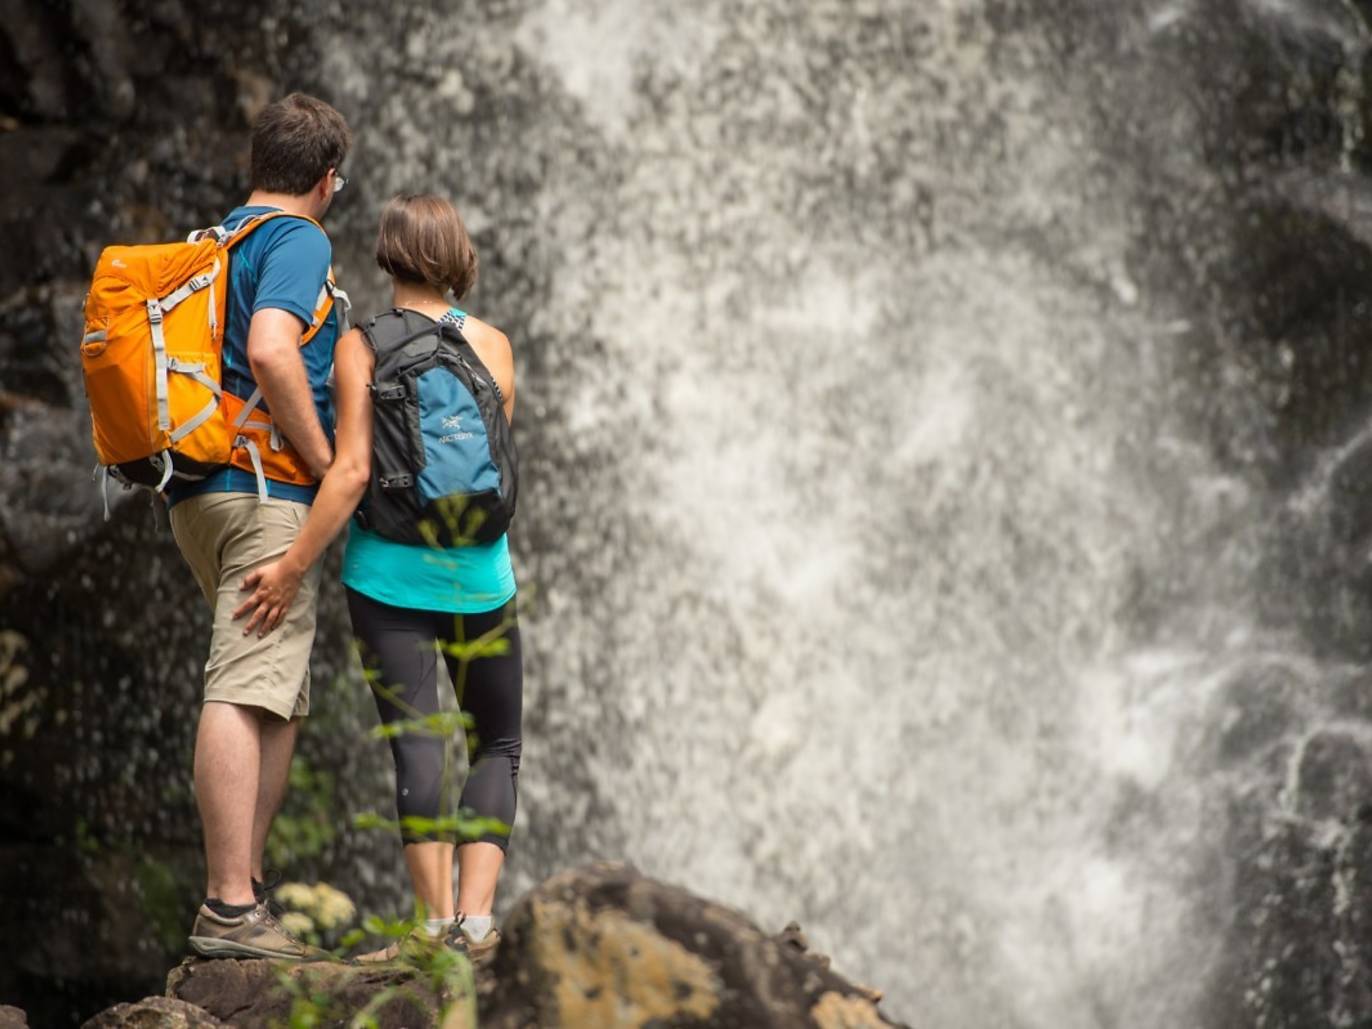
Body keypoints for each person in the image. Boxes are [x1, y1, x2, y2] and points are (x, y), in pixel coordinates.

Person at [234, 193, 521, 965]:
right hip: (481, 576)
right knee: (496, 740)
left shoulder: (360, 347)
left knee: (417, 744)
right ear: (455, 252)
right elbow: (489, 462)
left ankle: (432, 930)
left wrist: (293, 567)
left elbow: (355, 468)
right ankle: (479, 920)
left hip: (388, 577)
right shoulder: (493, 344)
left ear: (387, 254)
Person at [166, 92, 351, 961]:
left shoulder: (220, 239)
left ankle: (247, 897)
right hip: (263, 485)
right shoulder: (300, 238)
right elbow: (275, 348)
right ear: (325, 181)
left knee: (276, 689)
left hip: (199, 492)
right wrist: (323, 463)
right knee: (244, 684)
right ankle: (230, 907)